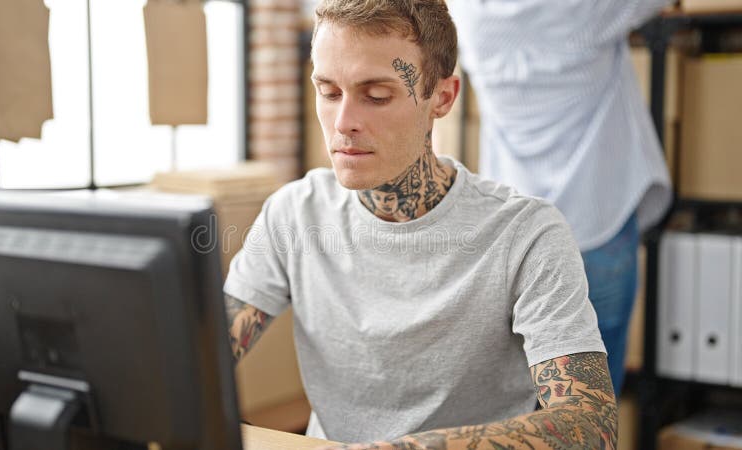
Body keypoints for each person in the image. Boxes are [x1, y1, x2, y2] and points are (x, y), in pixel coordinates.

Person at [225, 0, 618, 448]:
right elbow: (202, 358)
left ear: (443, 98)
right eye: (329, 92)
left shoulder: (528, 235)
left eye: (377, 96)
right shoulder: (293, 214)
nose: (344, 123)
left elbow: (591, 428)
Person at [449, 1, 674, 394]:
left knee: (527, 403)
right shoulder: (584, 8)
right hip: (598, 222)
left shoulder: (471, 13)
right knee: (596, 401)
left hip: (519, 238)